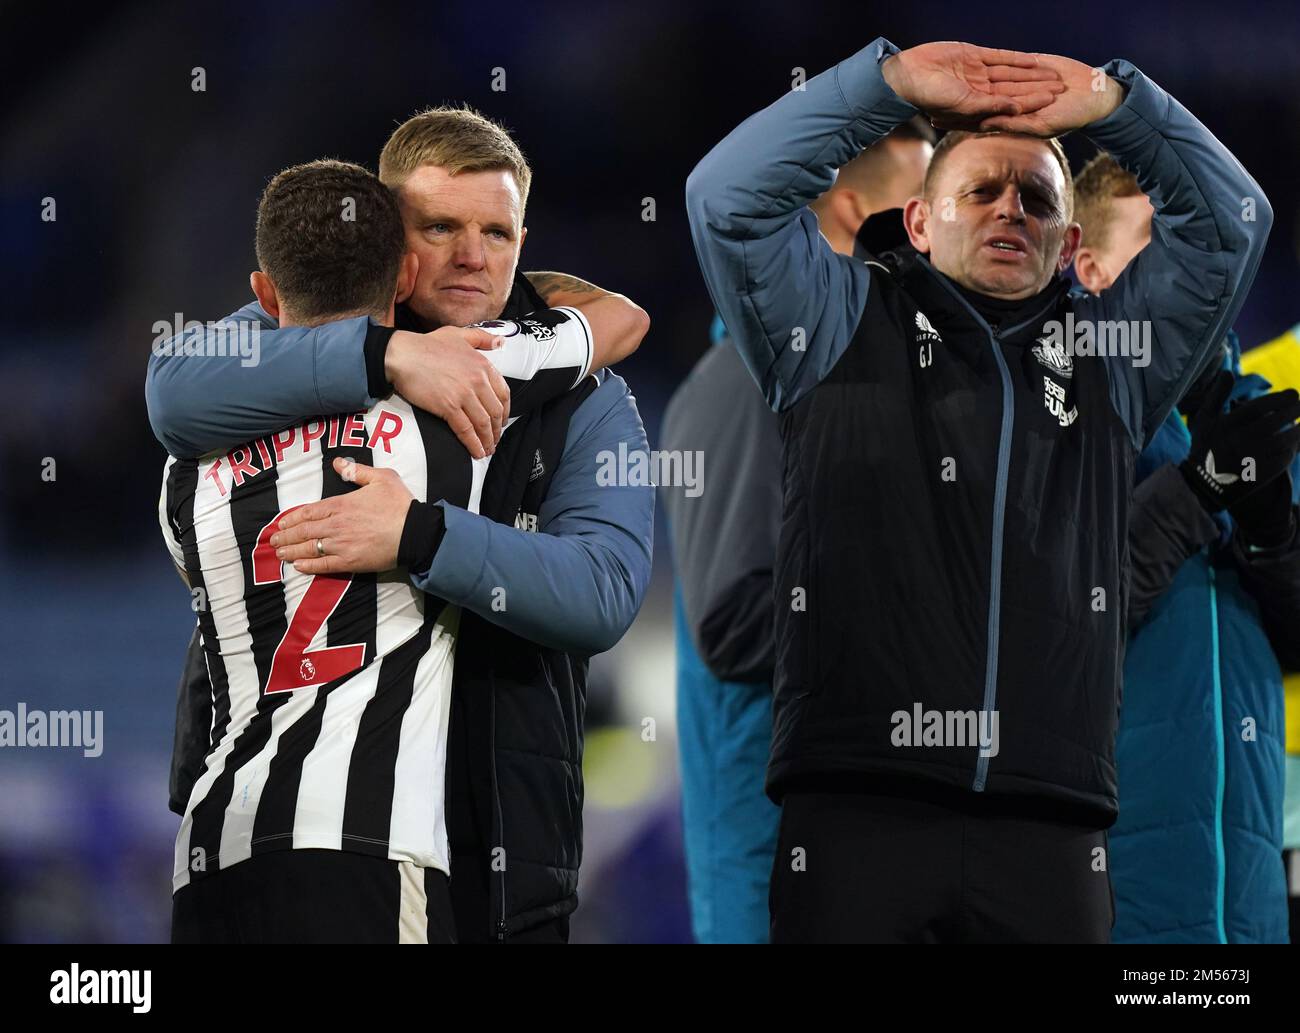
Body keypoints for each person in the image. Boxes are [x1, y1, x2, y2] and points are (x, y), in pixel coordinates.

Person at [686, 38, 1272, 943]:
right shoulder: (835, 321)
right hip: (856, 811)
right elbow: (726, 198)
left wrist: (1117, 102)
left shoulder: (1106, 364)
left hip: (1054, 824)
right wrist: (881, 86)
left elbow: (1231, 218)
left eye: (1037, 198)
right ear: (919, 222)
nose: (1010, 209)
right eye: (981, 191)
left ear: (1068, 241)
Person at [147, 107, 655, 943]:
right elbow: (172, 385)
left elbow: (601, 595)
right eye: (440, 226)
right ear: (391, 242)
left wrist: (421, 535)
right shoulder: (289, 361)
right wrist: (386, 353)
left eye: (496, 230)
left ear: (525, 240)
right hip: (374, 850)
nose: (470, 254)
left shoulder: (583, 396)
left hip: (497, 846)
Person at [660, 118, 933, 944]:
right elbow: (735, 625)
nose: (937, 232)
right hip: (776, 872)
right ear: (854, 213)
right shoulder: (747, 381)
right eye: (922, 207)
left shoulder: (860, 383)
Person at [1073, 152, 1300, 942]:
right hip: (1112, 903)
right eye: (1161, 242)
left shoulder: (1257, 415)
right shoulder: (1063, 411)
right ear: (1089, 265)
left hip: (1252, 909)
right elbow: (1071, 620)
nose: (1198, 270)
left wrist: (1276, 540)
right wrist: (1195, 490)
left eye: (1202, 244)